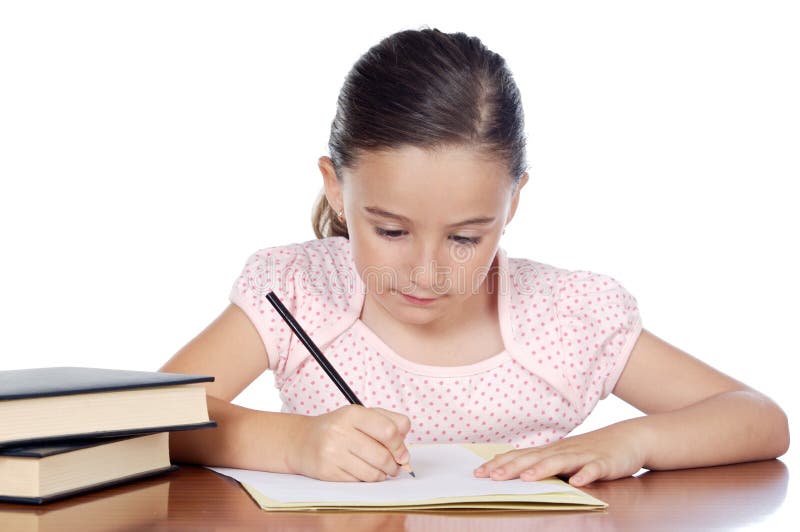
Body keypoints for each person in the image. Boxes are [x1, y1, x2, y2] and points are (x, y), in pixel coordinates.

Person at [160, 28, 789, 486]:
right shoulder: (297, 291)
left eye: (464, 239)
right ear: (335, 188)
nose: (427, 271)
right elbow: (150, 416)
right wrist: (293, 443)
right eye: (390, 230)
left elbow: (759, 419)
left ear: (512, 202)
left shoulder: (565, 318)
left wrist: (631, 441)